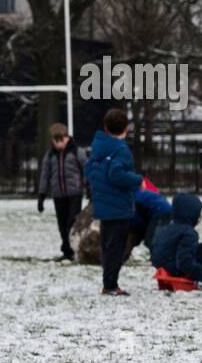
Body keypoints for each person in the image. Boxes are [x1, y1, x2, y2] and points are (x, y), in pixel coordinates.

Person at [84, 108, 142, 296]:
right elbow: (116, 174)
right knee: (116, 247)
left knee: (107, 245)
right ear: (126, 128)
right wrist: (137, 180)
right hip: (119, 204)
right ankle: (111, 284)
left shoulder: (99, 146)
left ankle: (107, 282)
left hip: (103, 202)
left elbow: (90, 170)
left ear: (106, 127)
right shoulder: (121, 149)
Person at [150, 192, 202, 291]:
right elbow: (185, 263)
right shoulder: (188, 232)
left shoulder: (164, 228)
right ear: (190, 214)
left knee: (201, 247)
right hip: (179, 270)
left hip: (165, 268)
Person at [36, 122, 85, 261]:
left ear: (67, 138)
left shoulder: (77, 152)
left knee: (72, 222)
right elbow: (45, 175)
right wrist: (42, 196)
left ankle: (72, 249)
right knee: (62, 224)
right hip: (58, 195)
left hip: (74, 193)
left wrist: (89, 188)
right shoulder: (50, 155)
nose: (58, 144)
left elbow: (87, 169)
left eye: (61, 140)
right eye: (55, 141)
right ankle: (67, 251)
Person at [126, 178, 172, 257]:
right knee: (151, 238)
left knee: (151, 240)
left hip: (160, 213)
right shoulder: (140, 193)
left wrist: (130, 227)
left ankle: (160, 259)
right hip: (162, 211)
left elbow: (136, 217)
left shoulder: (133, 199)